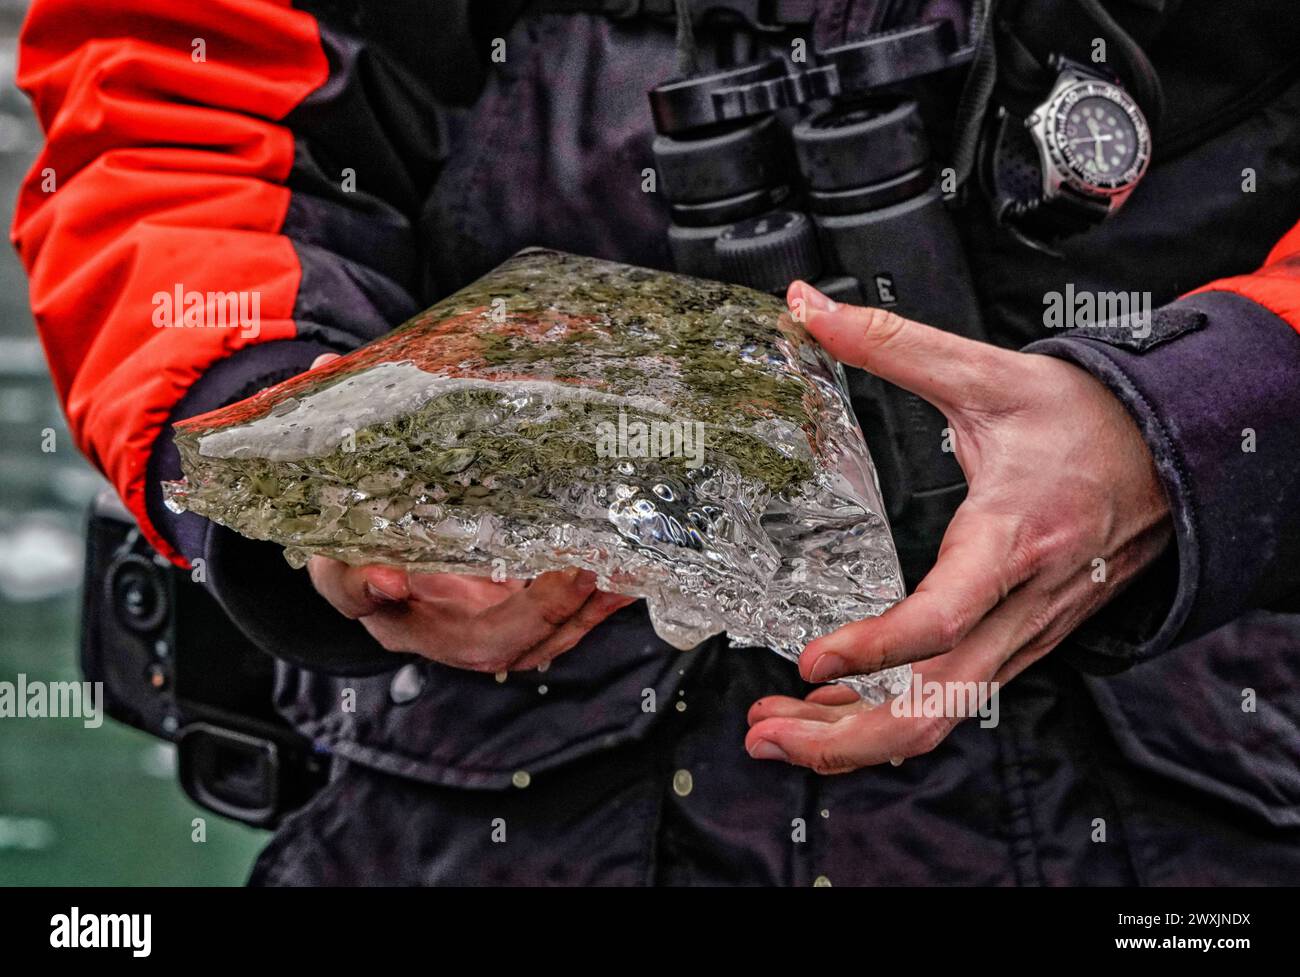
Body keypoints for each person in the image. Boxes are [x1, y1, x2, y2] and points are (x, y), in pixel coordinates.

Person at [12, 0, 1300, 885]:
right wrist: (285, 429)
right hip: (462, 789)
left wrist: (1202, 428)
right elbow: (170, 106)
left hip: (1208, 784)